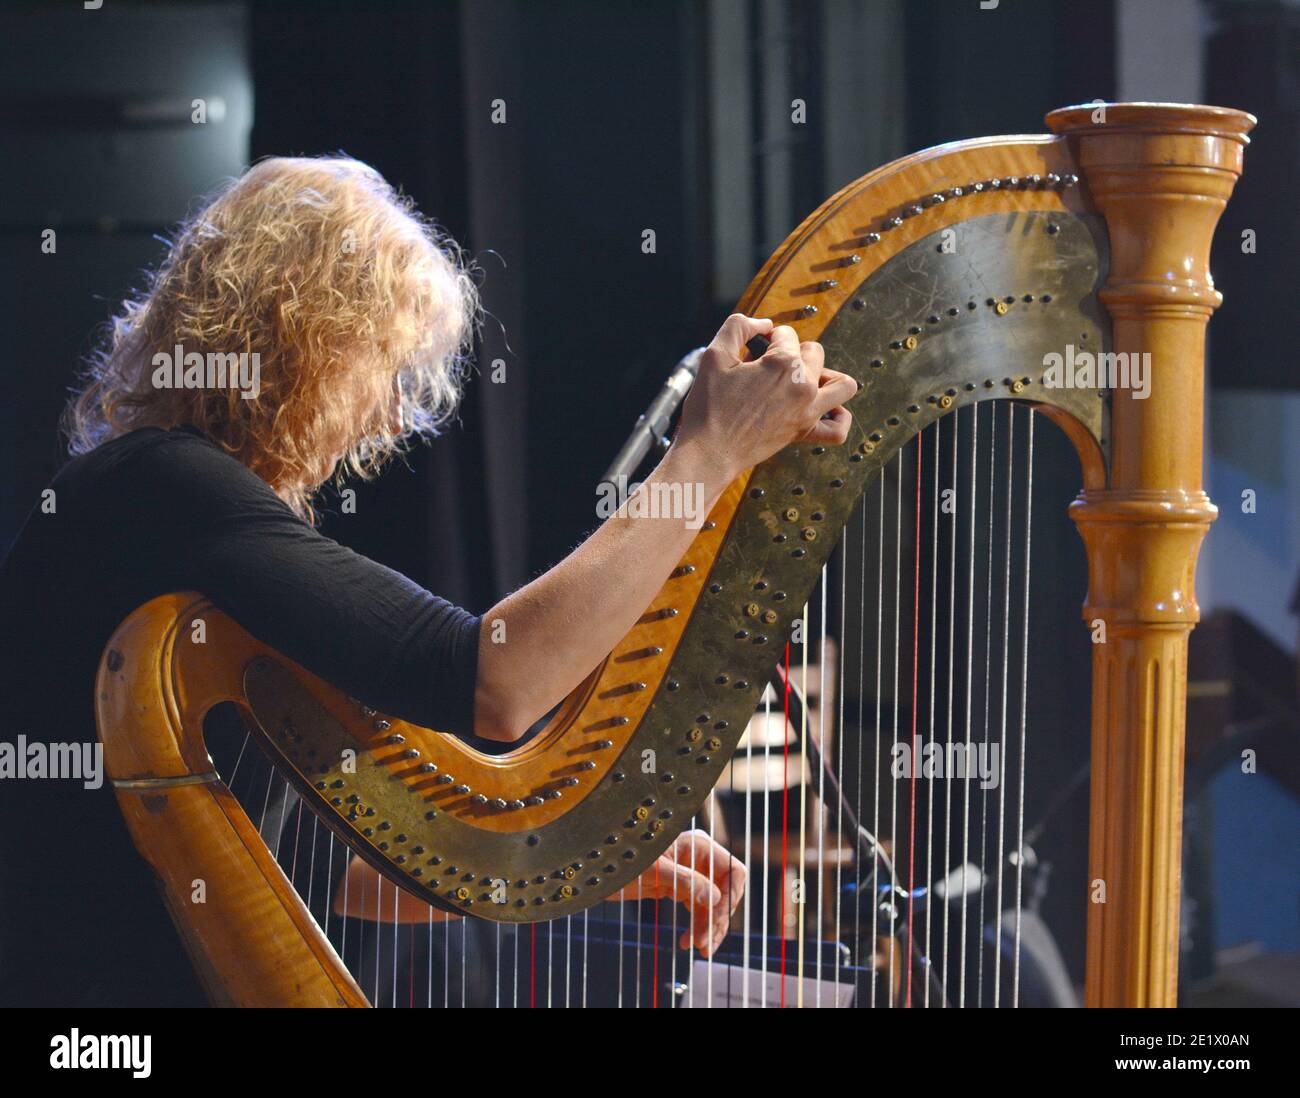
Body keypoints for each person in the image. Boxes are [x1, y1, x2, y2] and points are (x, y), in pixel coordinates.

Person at [0, 155, 856, 1006]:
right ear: (305, 333)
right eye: (382, 362)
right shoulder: (165, 488)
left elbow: (330, 868)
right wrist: (705, 453)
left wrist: (592, 865)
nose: (383, 412)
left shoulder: (171, 499)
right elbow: (492, 678)